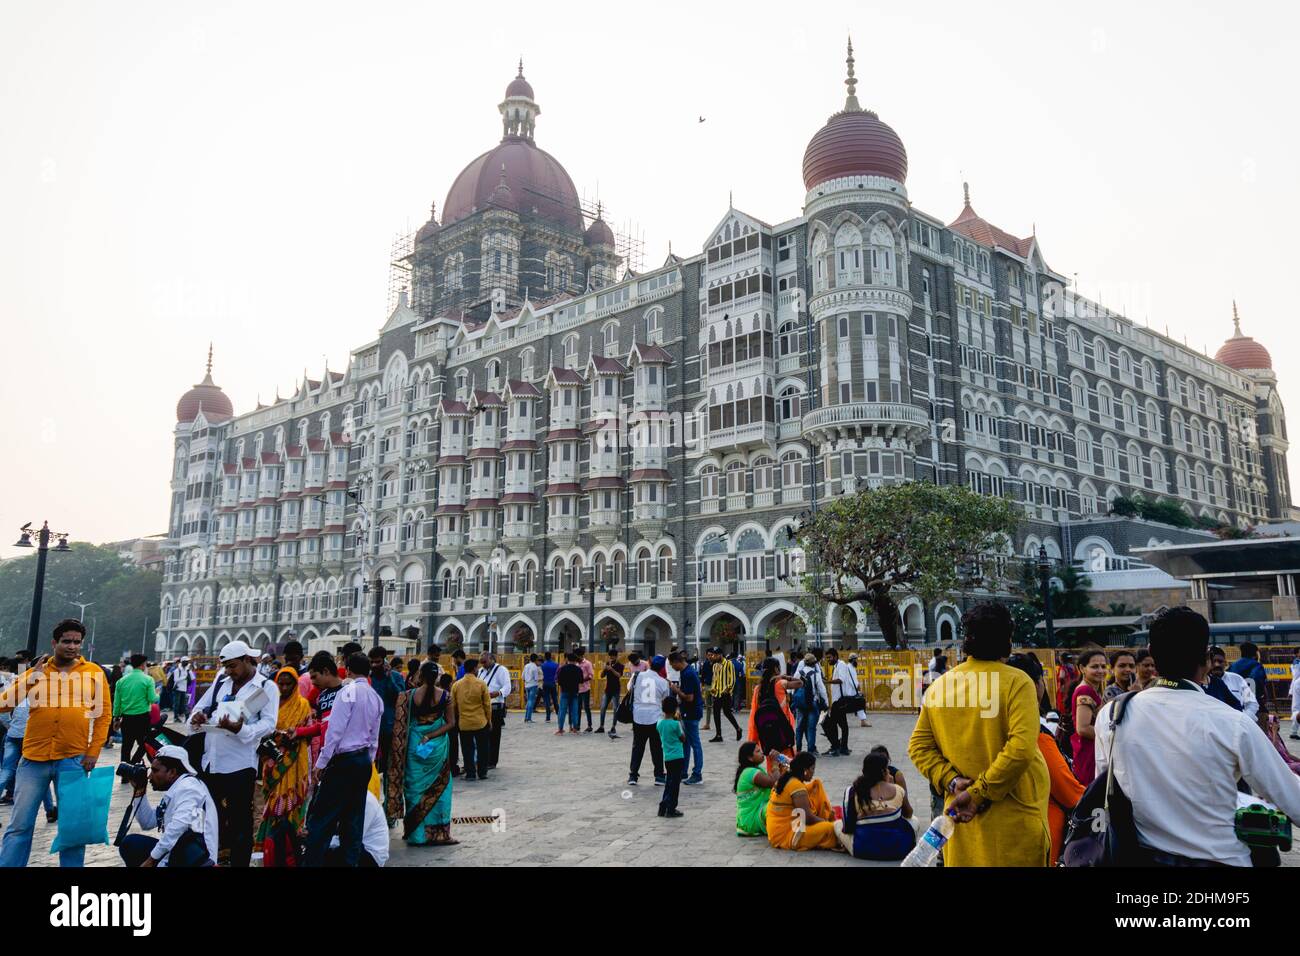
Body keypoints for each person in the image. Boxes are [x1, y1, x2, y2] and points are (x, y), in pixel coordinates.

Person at [1095, 606, 1300, 867]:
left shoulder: (1112, 715)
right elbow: (1292, 799)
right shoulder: (1232, 723)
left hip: (1141, 857)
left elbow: (1105, 787)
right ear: (1205, 659)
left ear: (1152, 654)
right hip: (1222, 860)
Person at [908, 602, 1051, 867]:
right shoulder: (1017, 682)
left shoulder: (941, 685)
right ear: (1007, 639)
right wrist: (979, 793)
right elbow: (1021, 749)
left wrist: (951, 781)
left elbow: (918, 746)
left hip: (961, 819)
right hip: (1013, 820)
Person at [0, 619, 111, 868]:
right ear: (54, 643)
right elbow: (4, 703)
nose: (72, 646)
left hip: (73, 759)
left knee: (73, 827)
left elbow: (103, 715)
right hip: (33, 760)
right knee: (19, 825)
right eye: (66, 641)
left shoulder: (93, 673)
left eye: (76, 642)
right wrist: (32, 677)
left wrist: (93, 751)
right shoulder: (35, 672)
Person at [188, 640, 279, 867]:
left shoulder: (265, 687)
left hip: (240, 763)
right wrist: (197, 718)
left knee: (240, 821)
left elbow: (269, 724)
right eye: (226, 666)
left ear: (248, 661)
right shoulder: (222, 682)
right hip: (212, 760)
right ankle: (209, 859)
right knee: (208, 817)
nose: (229, 671)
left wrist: (241, 729)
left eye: (233, 666)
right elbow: (200, 707)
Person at [303, 652, 382, 867]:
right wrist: (369, 761)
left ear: (347, 669)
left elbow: (334, 733)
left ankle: (312, 863)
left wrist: (321, 763)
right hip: (362, 761)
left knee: (322, 820)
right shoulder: (375, 697)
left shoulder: (347, 693)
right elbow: (374, 737)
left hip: (343, 760)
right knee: (353, 821)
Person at [1006, 653, 1085, 867]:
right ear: (1034, 684)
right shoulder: (1035, 736)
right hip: (1039, 838)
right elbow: (1069, 794)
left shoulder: (994, 729)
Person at [386, 661, 458, 847]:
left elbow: (401, 725)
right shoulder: (446, 696)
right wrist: (431, 735)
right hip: (437, 747)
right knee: (440, 789)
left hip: (414, 745)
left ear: (421, 675)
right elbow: (451, 723)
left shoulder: (408, 696)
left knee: (414, 790)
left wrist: (422, 734)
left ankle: (415, 834)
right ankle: (440, 834)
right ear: (437, 677)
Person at [119, 746, 219, 867]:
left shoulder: (189, 788)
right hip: (179, 851)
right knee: (130, 844)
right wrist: (139, 791)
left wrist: (152, 859)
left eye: (155, 771)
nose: (150, 776)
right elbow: (147, 822)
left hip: (197, 858)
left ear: (172, 772)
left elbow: (178, 826)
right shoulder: (178, 788)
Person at [257, 667, 313, 867]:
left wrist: (292, 735)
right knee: (273, 801)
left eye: (289, 684)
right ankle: (271, 845)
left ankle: (291, 846)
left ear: (296, 684)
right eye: (281, 683)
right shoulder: (270, 704)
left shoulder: (303, 705)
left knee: (292, 802)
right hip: (272, 762)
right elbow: (263, 730)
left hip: (295, 762)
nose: (284, 687)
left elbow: (307, 731)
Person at [835, 750, 918, 860]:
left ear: (864, 771)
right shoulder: (898, 790)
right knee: (915, 820)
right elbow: (908, 814)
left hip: (863, 850)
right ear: (884, 772)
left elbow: (848, 827)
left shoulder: (852, 791)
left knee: (837, 824)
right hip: (899, 849)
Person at [766, 751, 839, 851]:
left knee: (816, 785)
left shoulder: (787, 778)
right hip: (787, 834)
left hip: (776, 831)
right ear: (805, 770)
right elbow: (807, 818)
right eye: (812, 769)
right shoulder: (796, 785)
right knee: (831, 829)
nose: (813, 772)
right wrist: (826, 823)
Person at [0, 698, 56, 819]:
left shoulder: (18, 693)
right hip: (31, 739)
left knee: (6, 772)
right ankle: (50, 810)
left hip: (13, 736)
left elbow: (4, 714)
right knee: (40, 772)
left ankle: (51, 809)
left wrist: (11, 727)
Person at [747, 657, 800, 770]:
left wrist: (754, 740)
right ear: (776, 669)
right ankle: (785, 784)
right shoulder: (780, 684)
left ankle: (775, 785)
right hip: (783, 733)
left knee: (773, 767)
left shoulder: (758, 689)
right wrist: (784, 676)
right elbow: (800, 683)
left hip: (767, 736)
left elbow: (754, 717)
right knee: (788, 766)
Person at [627, 655, 670, 786]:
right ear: (662, 667)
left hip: (638, 715)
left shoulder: (637, 676)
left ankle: (633, 775)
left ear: (650, 663)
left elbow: (629, 688)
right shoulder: (663, 682)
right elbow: (665, 698)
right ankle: (659, 775)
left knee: (637, 747)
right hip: (655, 716)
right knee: (656, 747)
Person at [1069, 647, 1108, 786]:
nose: (1100, 670)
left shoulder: (1092, 689)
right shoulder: (1085, 690)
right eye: (1094, 666)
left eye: (1103, 666)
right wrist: (1110, 737)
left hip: (1093, 750)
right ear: (1082, 668)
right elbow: (1083, 728)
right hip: (1089, 753)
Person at [112, 653, 159, 768]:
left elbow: (117, 703)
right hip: (142, 718)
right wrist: (158, 694)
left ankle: (125, 772)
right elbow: (153, 699)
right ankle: (133, 764)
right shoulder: (148, 680)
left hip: (127, 718)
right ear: (143, 665)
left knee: (126, 746)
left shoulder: (121, 681)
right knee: (144, 744)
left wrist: (116, 718)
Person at [452, 658, 492, 781]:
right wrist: (489, 720)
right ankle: (482, 772)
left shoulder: (456, 685)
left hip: (464, 723)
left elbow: (453, 706)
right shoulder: (481, 684)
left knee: (467, 749)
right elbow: (487, 705)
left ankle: (470, 773)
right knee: (482, 748)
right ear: (474, 669)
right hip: (480, 721)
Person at [324, 791, 390, 866]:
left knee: (327, 854)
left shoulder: (366, 801)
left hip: (372, 856)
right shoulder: (348, 797)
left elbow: (352, 838)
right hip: (357, 845)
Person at [668, 651, 704, 784]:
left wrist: (676, 690)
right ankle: (683, 771)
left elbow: (689, 697)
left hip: (691, 712)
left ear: (677, 662)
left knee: (695, 743)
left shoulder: (688, 674)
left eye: (672, 665)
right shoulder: (687, 671)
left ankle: (697, 773)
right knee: (686, 742)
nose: (672, 667)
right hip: (688, 711)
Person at [367, 647, 405, 776]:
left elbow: (400, 696)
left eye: (377, 662)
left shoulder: (396, 676)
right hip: (370, 727)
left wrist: (389, 678)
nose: (374, 665)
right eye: (371, 662)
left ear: (384, 661)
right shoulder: (368, 678)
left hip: (389, 725)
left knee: (390, 761)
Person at [733, 742, 777, 836]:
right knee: (778, 804)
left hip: (748, 819)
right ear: (750, 758)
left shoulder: (755, 770)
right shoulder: (751, 773)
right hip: (752, 819)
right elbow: (775, 783)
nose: (762, 753)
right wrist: (775, 763)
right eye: (758, 751)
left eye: (760, 750)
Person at [478, 652, 511, 769]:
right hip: (482, 706)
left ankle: (492, 761)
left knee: (494, 735)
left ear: (491, 659)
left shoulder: (501, 670)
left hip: (495, 705)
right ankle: (482, 759)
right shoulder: (481, 671)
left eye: (484, 662)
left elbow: (507, 686)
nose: (483, 665)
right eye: (481, 662)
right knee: (483, 735)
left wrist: (498, 693)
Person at [825, 647, 860, 757]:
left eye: (829, 657)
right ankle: (843, 747)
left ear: (835, 656)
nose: (828, 660)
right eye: (827, 658)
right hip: (837, 700)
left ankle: (835, 747)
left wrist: (827, 682)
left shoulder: (841, 665)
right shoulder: (836, 666)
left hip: (839, 702)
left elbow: (841, 680)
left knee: (832, 725)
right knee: (843, 726)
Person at [792, 652, 828, 755]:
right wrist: (826, 703)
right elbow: (822, 690)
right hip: (813, 703)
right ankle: (811, 750)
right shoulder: (816, 675)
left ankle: (798, 749)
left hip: (800, 703)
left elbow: (793, 687)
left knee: (799, 727)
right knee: (811, 728)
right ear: (814, 664)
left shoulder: (799, 672)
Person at [657, 697, 685, 818]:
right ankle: (671, 808)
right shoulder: (676, 724)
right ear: (675, 709)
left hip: (667, 757)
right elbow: (683, 738)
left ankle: (663, 806)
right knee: (675, 784)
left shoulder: (659, 723)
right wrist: (679, 721)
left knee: (669, 781)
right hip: (678, 756)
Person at [1208, 646, 1255, 717]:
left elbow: (1251, 702)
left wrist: (1245, 718)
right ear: (1208, 663)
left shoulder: (1238, 679)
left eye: (1220, 661)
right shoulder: (1202, 682)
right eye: (1213, 661)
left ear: (1225, 663)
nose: (1216, 665)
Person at [706, 648, 742, 742]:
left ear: (721, 654)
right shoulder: (715, 665)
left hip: (725, 693)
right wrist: (713, 688)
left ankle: (738, 729)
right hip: (717, 693)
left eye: (715, 655)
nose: (714, 657)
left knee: (727, 713)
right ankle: (718, 735)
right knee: (716, 713)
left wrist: (728, 689)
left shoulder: (729, 664)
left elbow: (732, 679)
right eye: (713, 655)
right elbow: (715, 679)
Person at [1229, 642, 1270, 706]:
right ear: (1255, 654)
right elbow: (1257, 679)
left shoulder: (1233, 666)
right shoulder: (1256, 665)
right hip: (1252, 701)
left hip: (1236, 701)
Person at [556, 653, 583, 735]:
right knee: (574, 711)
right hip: (574, 692)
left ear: (567, 659)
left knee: (562, 711)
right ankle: (575, 729)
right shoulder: (578, 669)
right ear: (575, 660)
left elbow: (559, 681)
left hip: (564, 692)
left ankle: (560, 729)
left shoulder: (562, 669)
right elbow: (581, 681)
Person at [598, 653, 624, 737]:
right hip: (607, 690)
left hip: (616, 690)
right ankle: (601, 726)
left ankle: (613, 726)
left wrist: (611, 669)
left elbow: (619, 675)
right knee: (602, 707)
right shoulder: (607, 664)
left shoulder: (620, 665)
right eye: (610, 657)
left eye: (612, 656)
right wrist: (605, 669)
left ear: (616, 657)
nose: (611, 658)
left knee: (615, 708)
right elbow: (602, 676)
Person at [575, 647, 595, 732]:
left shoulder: (587, 663)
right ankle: (577, 725)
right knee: (578, 708)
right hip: (577, 689)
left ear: (581, 655)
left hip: (585, 689)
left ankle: (589, 725)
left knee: (586, 707)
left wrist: (582, 680)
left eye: (577, 656)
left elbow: (590, 675)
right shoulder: (576, 664)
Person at [170, 657, 195, 721]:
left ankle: (187, 717)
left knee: (184, 704)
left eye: (187, 661)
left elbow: (192, 678)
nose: (187, 663)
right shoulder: (177, 670)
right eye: (186, 661)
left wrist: (189, 671)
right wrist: (184, 677)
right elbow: (176, 679)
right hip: (178, 689)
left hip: (184, 689)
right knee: (177, 704)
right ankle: (176, 717)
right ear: (182, 662)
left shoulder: (187, 670)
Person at [522, 654, 543, 723]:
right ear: (536, 659)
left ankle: (526, 717)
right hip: (533, 685)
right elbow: (536, 678)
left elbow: (523, 676)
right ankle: (529, 718)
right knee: (531, 701)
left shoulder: (526, 666)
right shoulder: (535, 667)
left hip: (527, 685)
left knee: (528, 701)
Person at [539, 652, 559, 721]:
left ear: (545, 657)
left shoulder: (543, 665)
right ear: (551, 656)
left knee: (547, 700)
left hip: (545, 683)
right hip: (553, 683)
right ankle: (558, 714)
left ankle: (548, 717)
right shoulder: (556, 665)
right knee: (555, 699)